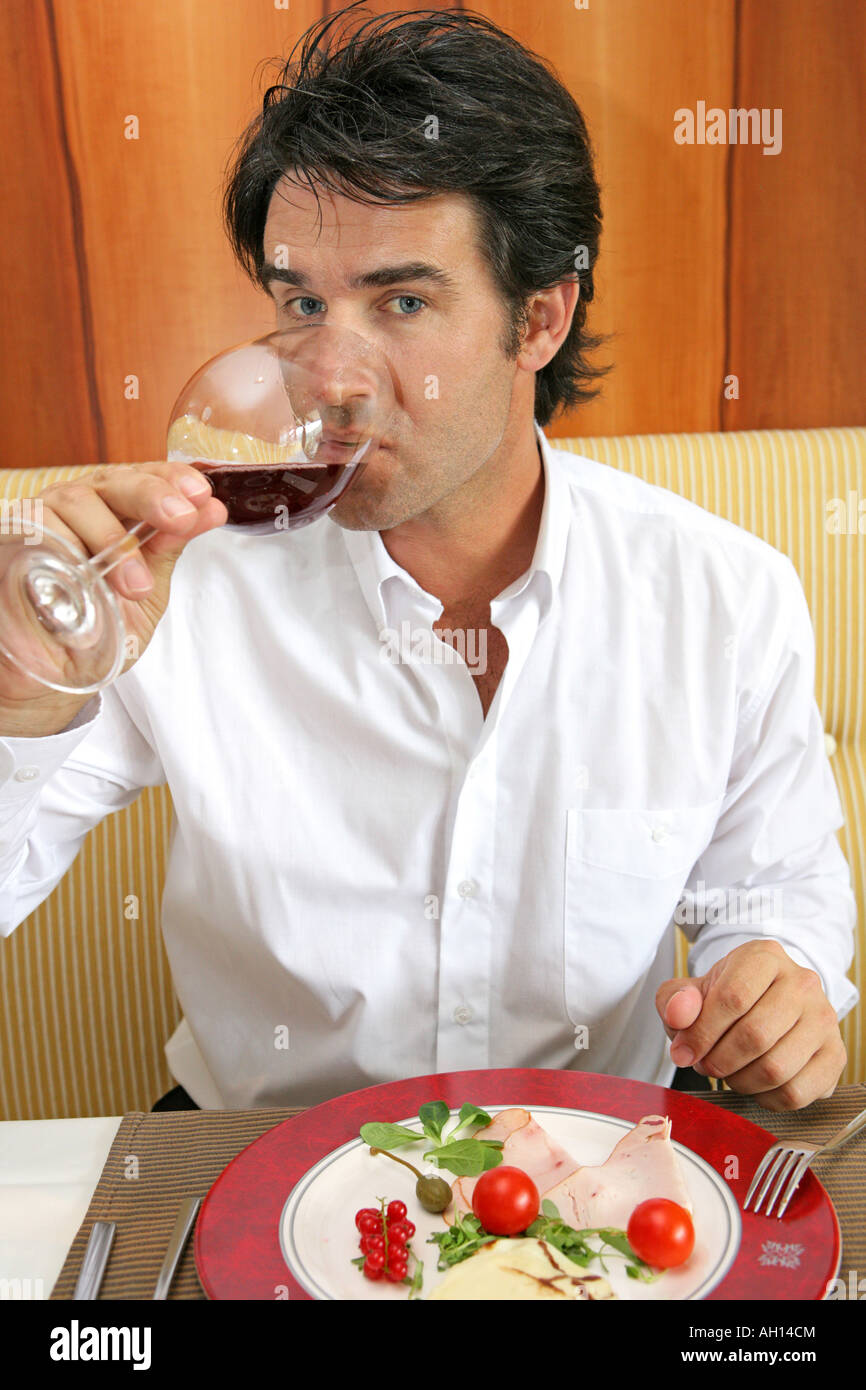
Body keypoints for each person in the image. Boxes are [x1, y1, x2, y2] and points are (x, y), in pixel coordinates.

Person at [0, 6, 856, 1114]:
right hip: (252, 1159)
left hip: (581, 1183)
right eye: (302, 303)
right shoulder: (177, 581)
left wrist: (775, 981)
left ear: (538, 318)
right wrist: (19, 703)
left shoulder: (719, 596)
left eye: (401, 301)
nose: (332, 376)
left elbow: (774, 898)